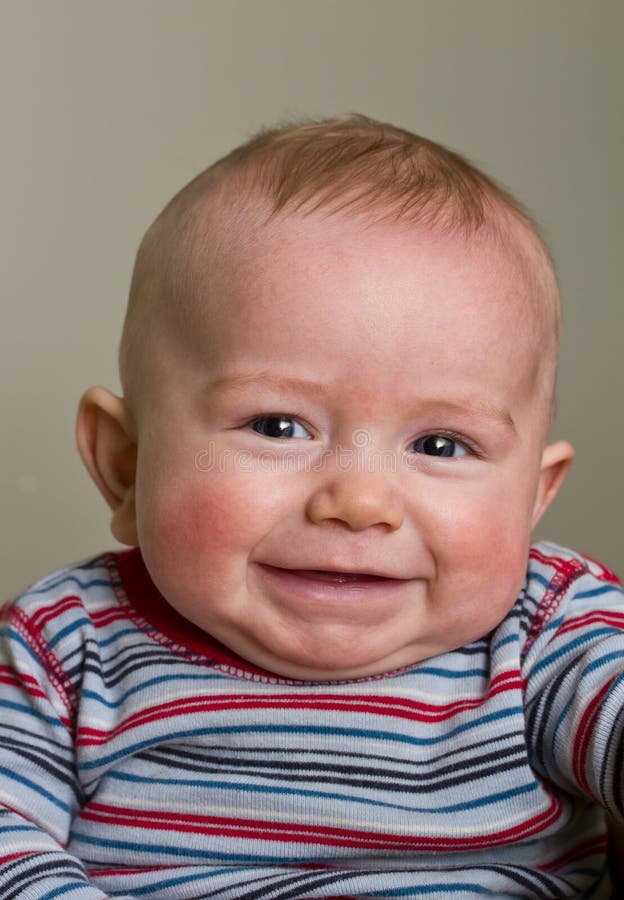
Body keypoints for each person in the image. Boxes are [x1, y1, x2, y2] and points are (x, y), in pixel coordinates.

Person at [1, 115, 622, 899]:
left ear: (532, 495)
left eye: (440, 445)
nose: (360, 503)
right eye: (278, 426)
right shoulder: (65, 649)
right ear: (127, 465)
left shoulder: (549, 632)